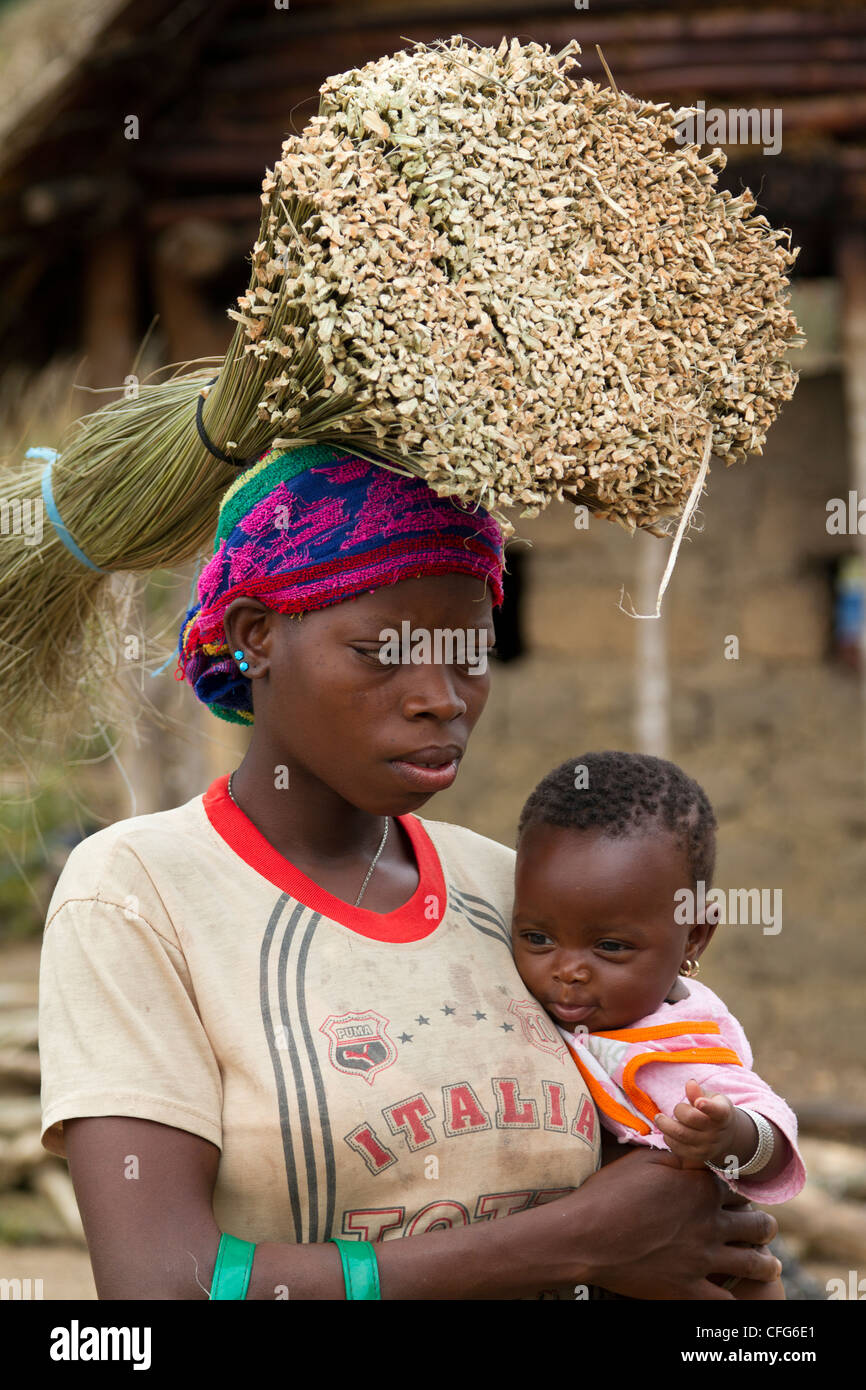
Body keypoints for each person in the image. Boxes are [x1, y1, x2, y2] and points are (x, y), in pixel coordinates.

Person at [36, 442, 783, 1300]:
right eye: (381, 652)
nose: (442, 696)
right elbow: (162, 1286)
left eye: (469, 654)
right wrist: (575, 1244)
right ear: (256, 637)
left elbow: (671, 1212)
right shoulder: (140, 895)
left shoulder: (514, 898)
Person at [511, 749, 805, 1301]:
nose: (568, 970)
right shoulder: (520, 999)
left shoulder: (682, 1045)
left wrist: (727, 1134)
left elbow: (775, 1140)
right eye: (538, 938)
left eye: (611, 947)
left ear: (694, 937)